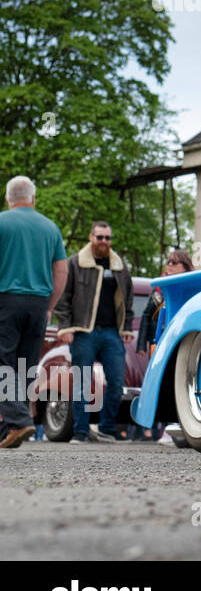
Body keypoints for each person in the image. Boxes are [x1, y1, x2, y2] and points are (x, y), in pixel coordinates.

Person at [0, 176, 67, 449]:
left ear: (8, 198)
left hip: (6, 300)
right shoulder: (50, 228)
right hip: (39, 303)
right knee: (25, 367)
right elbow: (61, 271)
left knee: (3, 364)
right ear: (33, 198)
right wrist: (50, 305)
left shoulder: (2, 223)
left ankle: (19, 419)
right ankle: (11, 430)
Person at [52, 222, 134, 443]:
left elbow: (128, 298)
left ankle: (107, 428)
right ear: (91, 237)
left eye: (108, 238)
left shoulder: (119, 265)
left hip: (111, 333)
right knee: (81, 382)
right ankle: (81, 431)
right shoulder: (75, 263)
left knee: (117, 382)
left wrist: (126, 328)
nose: (104, 242)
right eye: (100, 237)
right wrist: (65, 328)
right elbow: (62, 298)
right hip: (83, 332)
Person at [134, 249, 193, 440]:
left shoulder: (193, 284)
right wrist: (141, 344)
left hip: (184, 340)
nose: (169, 265)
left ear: (185, 266)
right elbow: (146, 315)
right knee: (161, 384)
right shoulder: (159, 288)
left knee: (181, 382)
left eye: (174, 262)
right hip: (160, 342)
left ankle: (181, 427)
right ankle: (164, 430)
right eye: (168, 261)